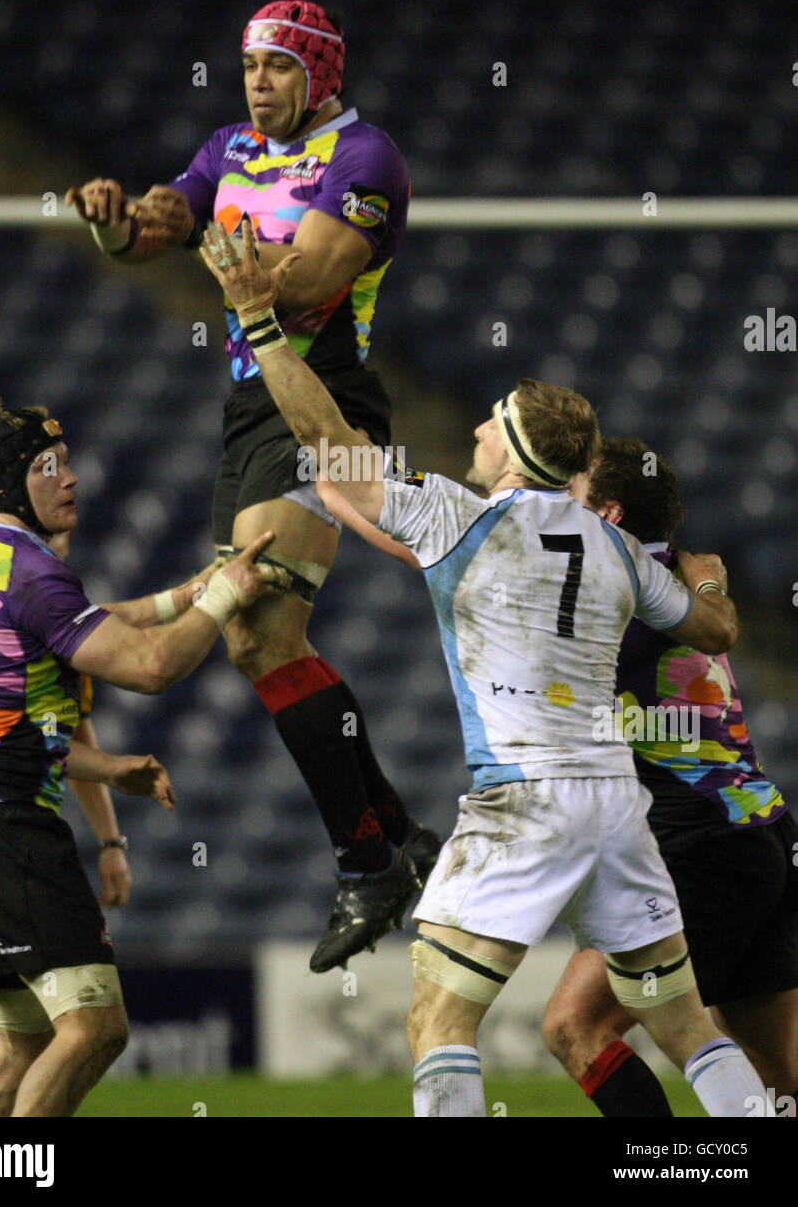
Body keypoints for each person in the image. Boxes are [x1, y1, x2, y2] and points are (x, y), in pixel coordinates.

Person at [199, 218, 774, 1118]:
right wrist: (712, 584)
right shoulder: (617, 550)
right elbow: (712, 628)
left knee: (436, 1021)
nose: (474, 426)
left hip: (525, 801)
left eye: (490, 423)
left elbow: (324, 434)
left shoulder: (455, 518)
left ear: (512, 449)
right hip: (616, 806)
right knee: (688, 1027)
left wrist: (259, 325)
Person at [66, 0, 437, 973]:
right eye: (248, 67)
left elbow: (305, 282)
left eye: (277, 67)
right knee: (253, 638)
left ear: (320, 76)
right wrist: (122, 222)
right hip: (249, 400)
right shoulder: (226, 145)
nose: (257, 83)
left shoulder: (366, 161)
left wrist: (200, 238)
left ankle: (368, 860)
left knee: (261, 626)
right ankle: (396, 836)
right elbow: (159, 226)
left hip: (322, 392)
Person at [0, 401, 288, 1116]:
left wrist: (190, 594)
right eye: (48, 467)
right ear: (6, 483)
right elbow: (148, 668)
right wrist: (222, 601)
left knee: (18, 1046)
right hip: (6, 828)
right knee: (93, 1029)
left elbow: (73, 640)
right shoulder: (31, 571)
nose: (71, 480)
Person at [541, 438, 798, 1117]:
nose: (554, 503)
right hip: (759, 833)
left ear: (610, 513)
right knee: (777, 1070)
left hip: (696, 845)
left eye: (572, 493)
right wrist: (708, 580)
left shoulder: (617, 595)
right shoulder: (677, 582)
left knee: (577, 1027)